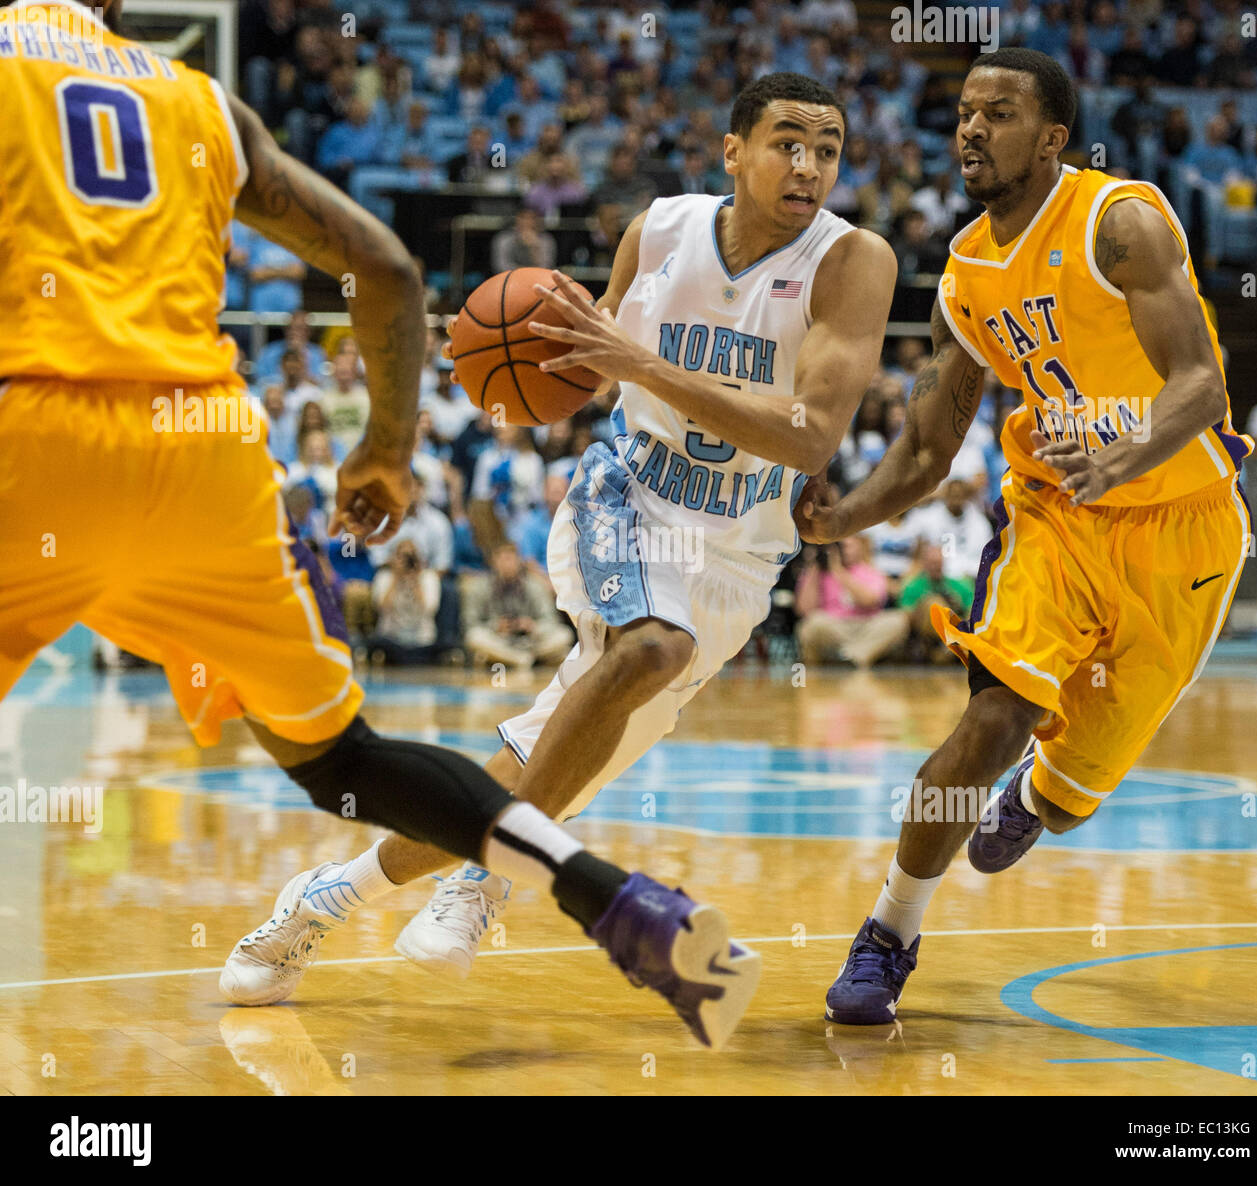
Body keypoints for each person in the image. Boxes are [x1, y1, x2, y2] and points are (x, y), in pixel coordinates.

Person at [0, 0, 758, 1049]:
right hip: (199, 444)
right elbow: (389, 270)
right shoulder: (199, 101)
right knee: (345, 761)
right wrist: (385, 452)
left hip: (27, 427)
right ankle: (617, 901)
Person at [295, 72, 896, 983]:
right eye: (787, 142)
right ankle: (491, 880)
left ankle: (322, 899)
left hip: (735, 555)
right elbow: (584, 366)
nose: (809, 165)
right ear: (733, 152)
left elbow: (811, 433)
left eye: (828, 148)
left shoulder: (853, 262)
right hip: (625, 496)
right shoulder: (659, 230)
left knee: (532, 764)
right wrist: (516, 370)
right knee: (652, 647)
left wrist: (641, 363)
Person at [800, 48, 1252, 1025]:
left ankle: (1039, 798)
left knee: (1067, 794)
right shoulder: (964, 272)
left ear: (1052, 137)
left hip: (1184, 530)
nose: (970, 129)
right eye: (963, 111)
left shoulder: (1115, 221)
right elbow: (926, 447)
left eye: (997, 113)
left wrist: (1125, 451)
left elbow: (1200, 389)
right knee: (990, 717)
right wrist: (843, 517)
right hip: (1055, 516)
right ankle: (889, 931)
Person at [794, 536, 908, 668]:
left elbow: (870, 601)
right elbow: (804, 610)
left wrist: (838, 570)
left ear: (860, 546)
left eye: (845, 546)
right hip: (834, 627)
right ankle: (852, 656)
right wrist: (813, 568)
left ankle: (851, 657)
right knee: (811, 624)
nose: (841, 551)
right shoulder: (818, 573)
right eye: (837, 547)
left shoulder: (871, 571)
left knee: (898, 620)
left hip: (868, 625)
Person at [463, 542, 573, 671]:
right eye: (503, 560)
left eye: (511, 559)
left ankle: (506, 659)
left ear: (519, 561)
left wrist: (532, 626)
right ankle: (522, 660)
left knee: (564, 635)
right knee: (474, 637)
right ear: (494, 562)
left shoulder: (534, 586)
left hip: (531, 642)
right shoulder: (479, 587)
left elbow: (551, 620)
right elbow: (470, 624)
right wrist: (496, 626)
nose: (507, 565)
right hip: (498, 640)